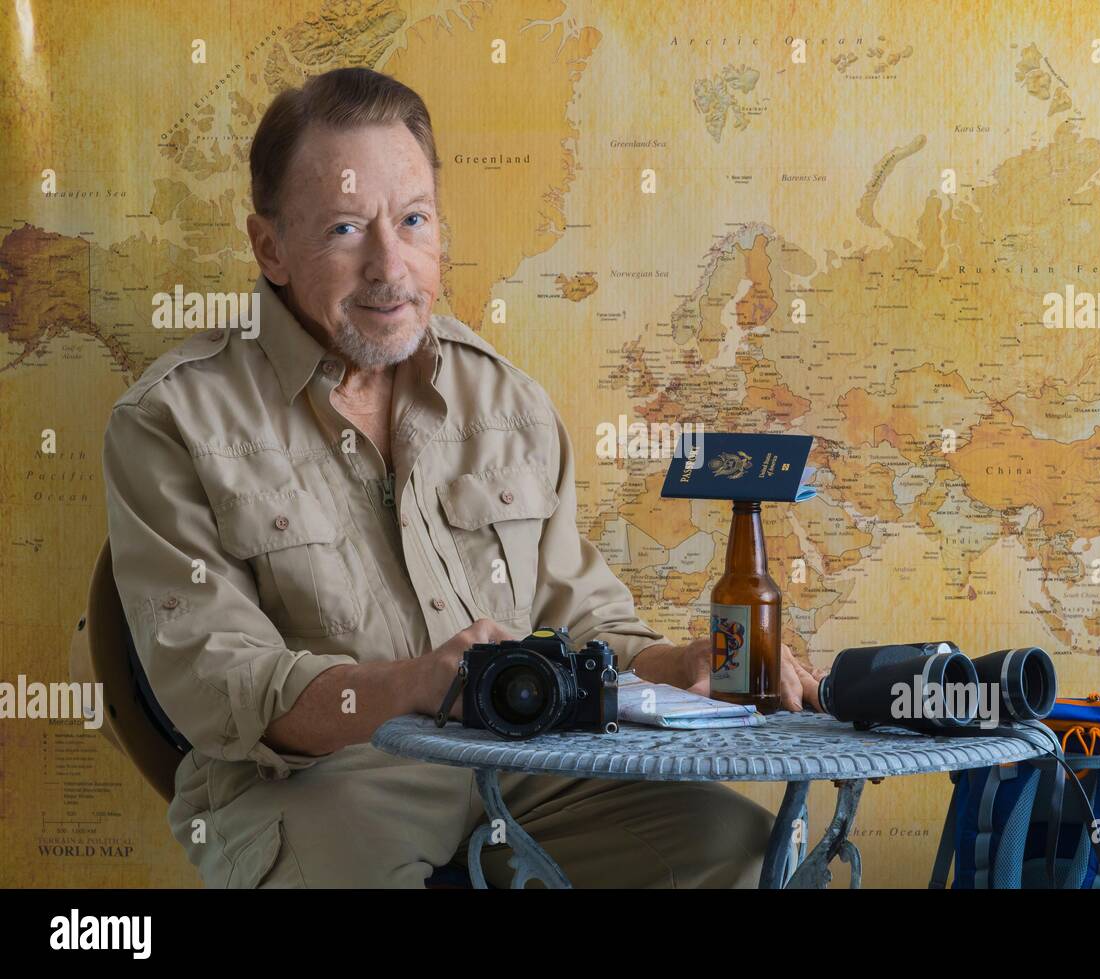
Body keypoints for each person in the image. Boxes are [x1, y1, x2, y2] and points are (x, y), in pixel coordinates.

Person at [103, 67, 824, 888]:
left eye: (413, 220)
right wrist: (411, 686)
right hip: (324, 782)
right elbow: (216, 679)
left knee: (746, 853)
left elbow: (580, 617)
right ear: (269, 246)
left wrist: (674, 663)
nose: (389, 264)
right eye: (345, 228)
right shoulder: (169, 421)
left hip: (530, 767)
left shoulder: (508, 401)